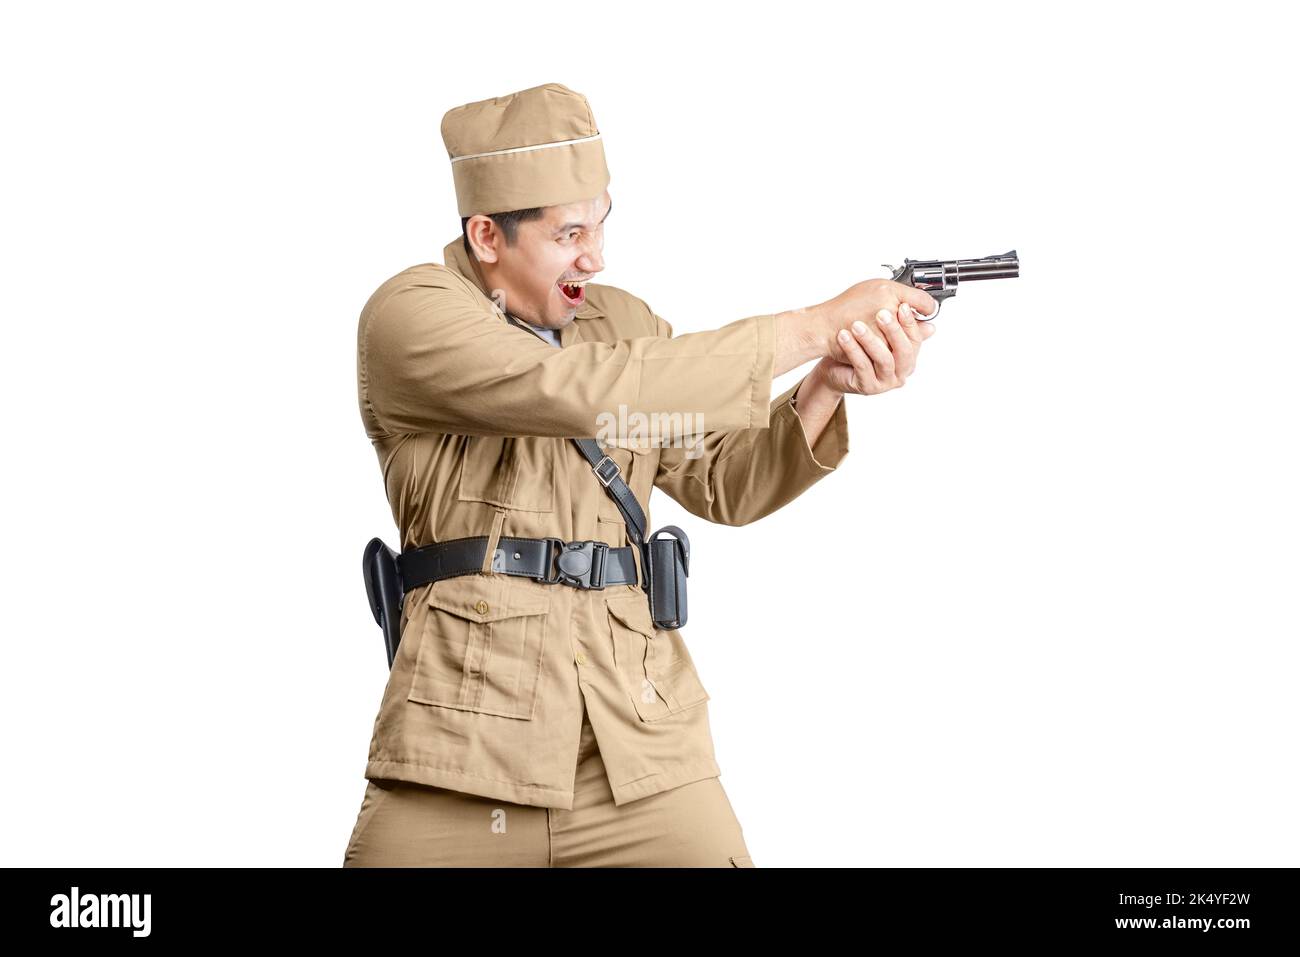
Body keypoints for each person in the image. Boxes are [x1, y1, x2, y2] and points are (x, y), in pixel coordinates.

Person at [344, 82, 938, 867]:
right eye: (568, 234)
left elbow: (723, 477)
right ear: (488, 235)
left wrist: (825, 376)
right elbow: (568, 390)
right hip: (461, 747)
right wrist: (810, 323)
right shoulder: (412, 313)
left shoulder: (621, 323)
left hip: (638, 740)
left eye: (601, 222)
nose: (595, 255)